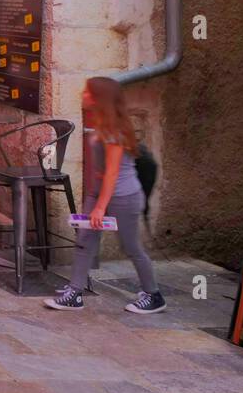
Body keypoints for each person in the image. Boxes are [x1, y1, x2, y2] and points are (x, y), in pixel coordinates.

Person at [45, 77, 165, 314]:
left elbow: (112, 173)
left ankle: (154, 295)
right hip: (100, 193)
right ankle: (75, 292)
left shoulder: (114, 130)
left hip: (123, 196)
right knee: (85, 241)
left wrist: (100, 207)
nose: (83, 94)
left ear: (99, 98)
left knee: (131, 247)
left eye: (88, 92)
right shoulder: (100, 124)